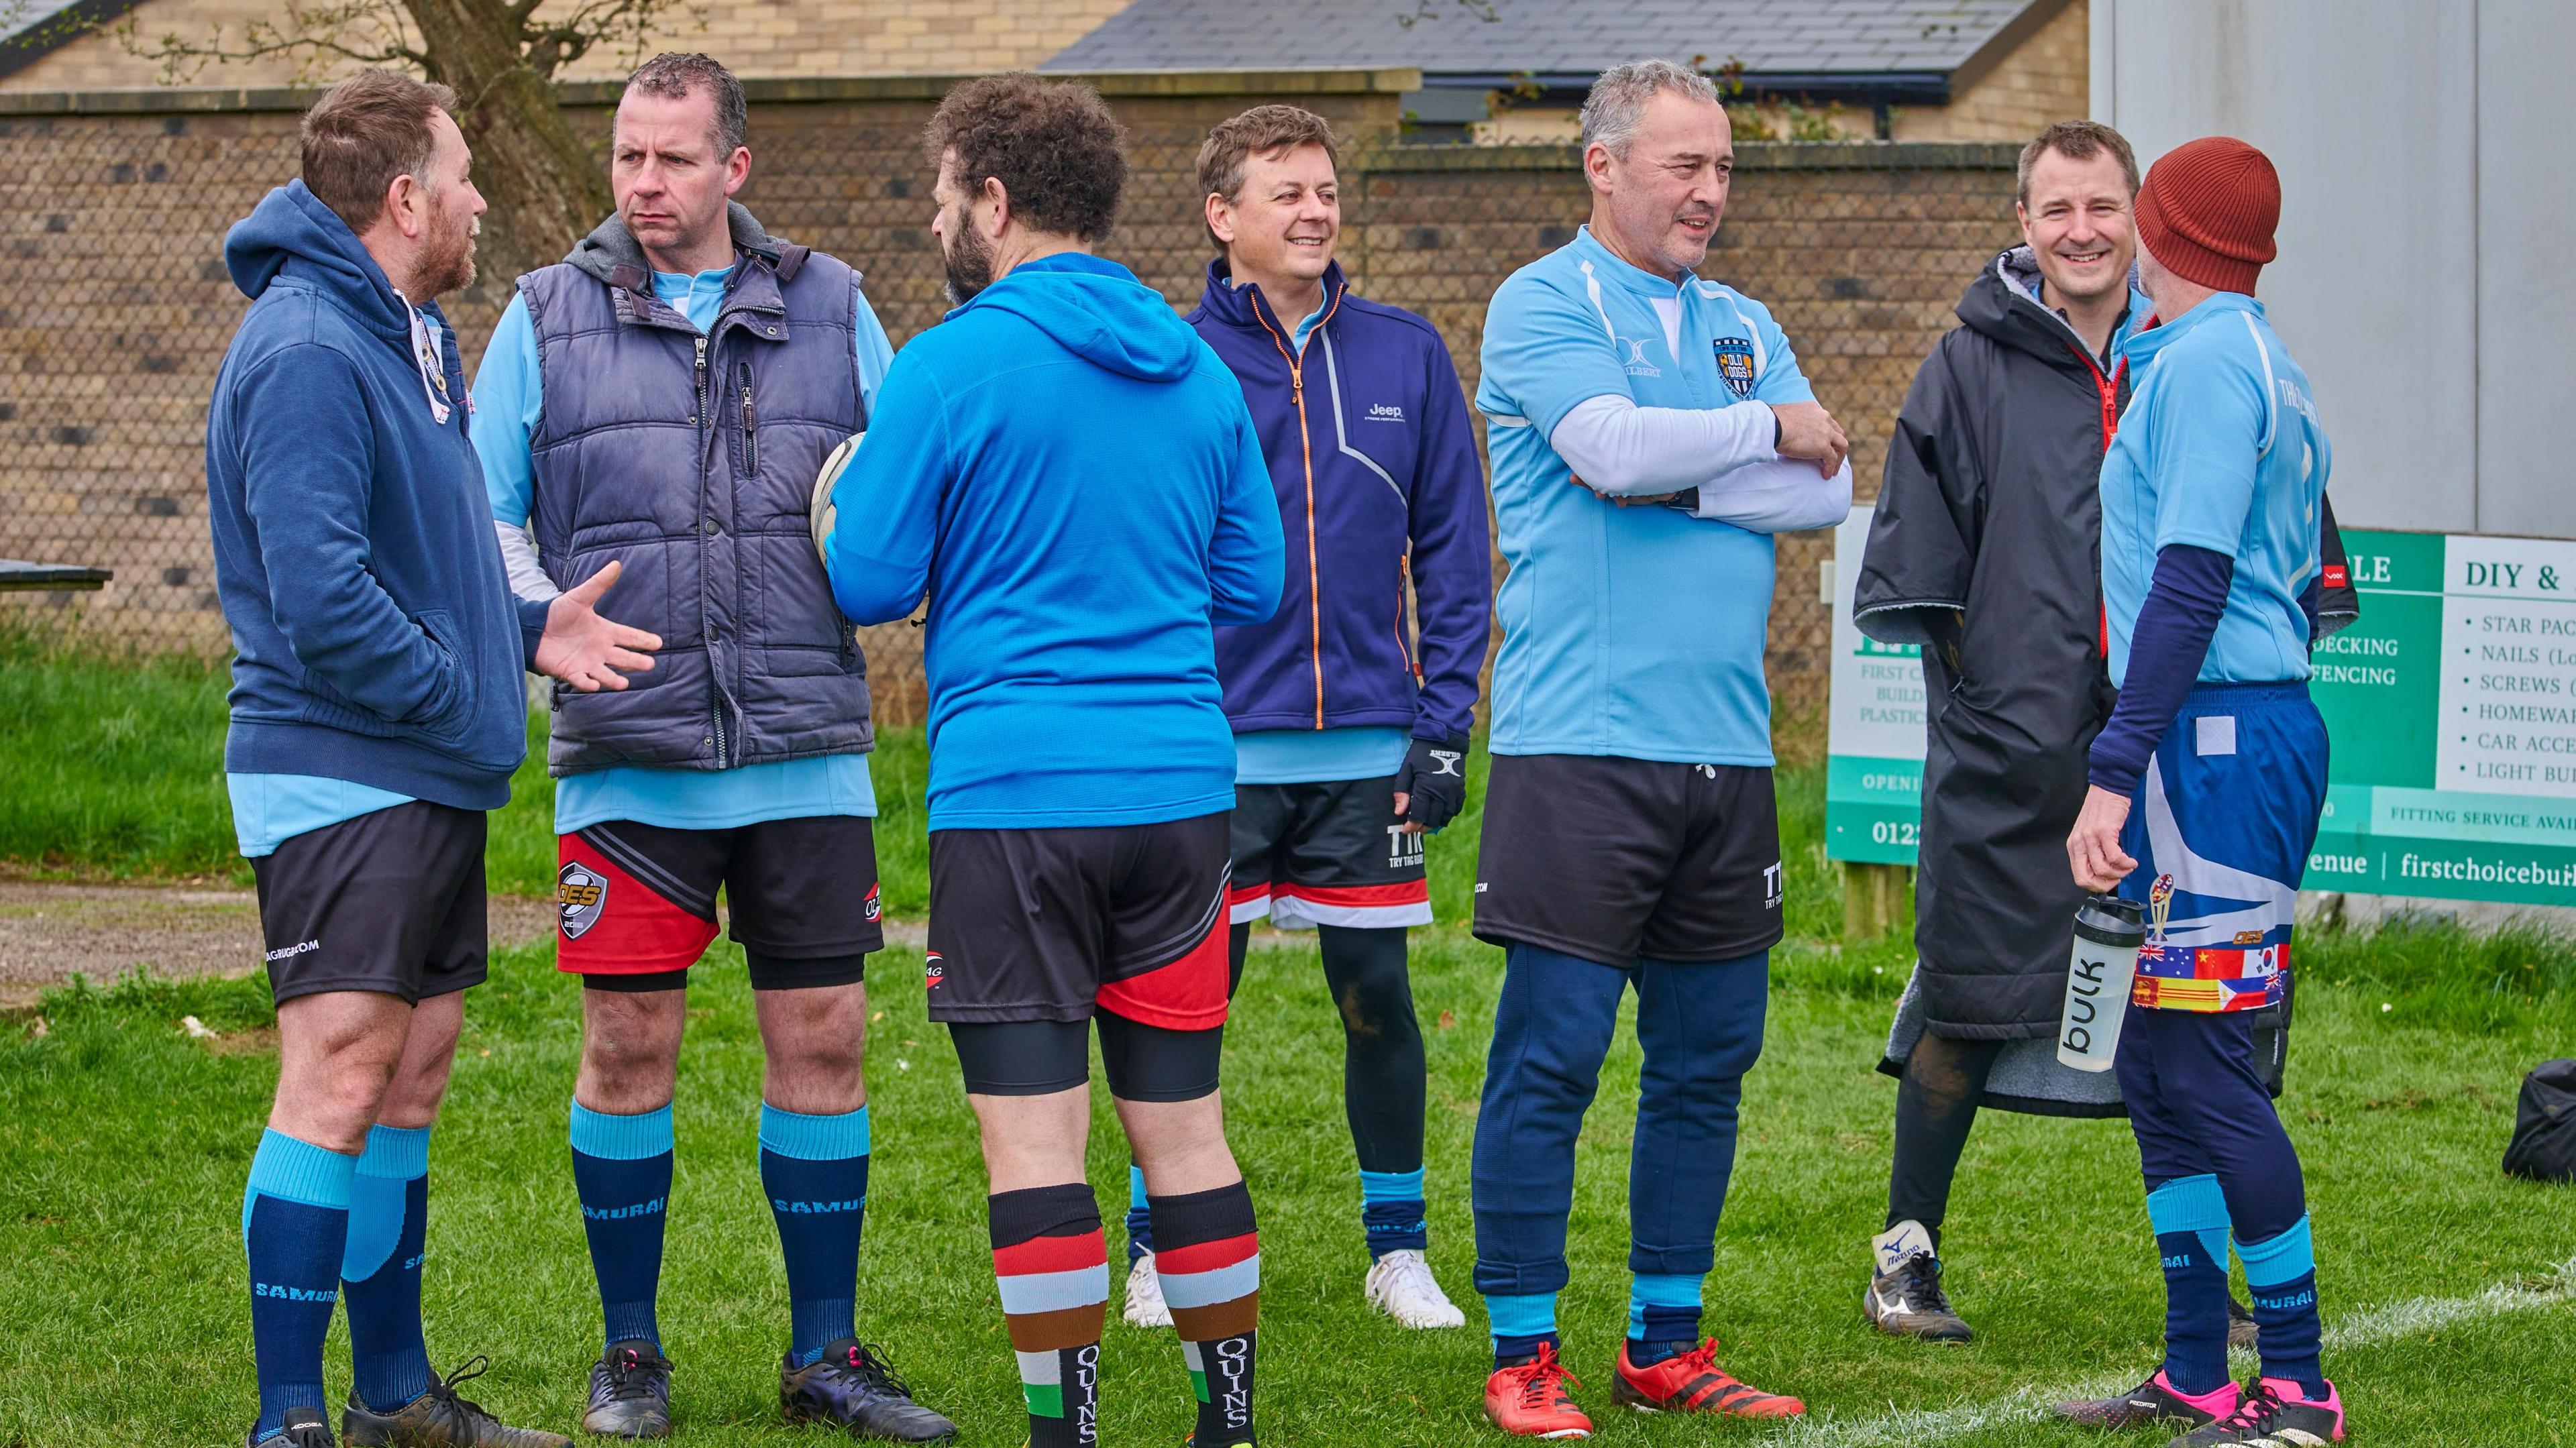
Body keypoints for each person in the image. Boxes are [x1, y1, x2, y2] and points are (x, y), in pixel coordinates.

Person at [468, 52, 951, 1443]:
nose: (644, 182)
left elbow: (904, 490)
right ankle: (629, 1354)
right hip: (627, 760)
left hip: (802, 748)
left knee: (826, 1036)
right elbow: (481, 510)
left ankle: (827, 1357)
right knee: (626, 1044)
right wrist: (534, 616)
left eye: (674, 158)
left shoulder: (838, 307)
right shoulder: (541, 316)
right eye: (628, 155)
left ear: (736, 167)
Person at [822, 73, 1284, 1448]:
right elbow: (1252, 581)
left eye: (945, 191)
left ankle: (1065, 1434)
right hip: (1183, 797)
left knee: (1035, 1142)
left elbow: (868, 577)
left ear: (997, 200)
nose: (936, 217)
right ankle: (1229, 1429)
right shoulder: (1198, 364)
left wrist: (835, 506)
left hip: (1015, 797)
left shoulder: (948, 363)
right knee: (1184, 1128)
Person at [209, 69, 657, 1448]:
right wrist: (463, 684)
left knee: (410, 1071)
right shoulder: (304, 349)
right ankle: (290, 1421)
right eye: (460, 178)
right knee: (340, 1071)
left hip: (420, 764)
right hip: (346, 765)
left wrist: (524, 629)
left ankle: (396, 1400)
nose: (477, 200)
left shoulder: (410, 334)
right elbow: (322, 593)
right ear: (404, 199)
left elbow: (421, 551)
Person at [1853, 121, 2353, 1347]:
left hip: (2164, 750)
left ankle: (2216, 1308)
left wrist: (2139, 737)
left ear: (2146, 225)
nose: (2080, 229)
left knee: (2184, 1030)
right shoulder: (1968, 367)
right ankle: (1905, 1257)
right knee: (1965, 1006)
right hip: (2010, 757)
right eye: (2054, 207)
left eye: (2103, 206)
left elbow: (2257, 560)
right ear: (2020, 224)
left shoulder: (2189, 353)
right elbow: (1918, 565)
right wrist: (1984, 700)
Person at [1466, 58, 1852, 1436]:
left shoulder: (1741, 318)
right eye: (1686, 165)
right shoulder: (1540, 301)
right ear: (1604, 165)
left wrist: (1694, 459)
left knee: (1707, 1058)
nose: (1710, 191)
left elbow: (1831, 487)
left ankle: (1665, 1342)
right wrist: (1748, 443)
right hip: (1581, 753)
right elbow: (1609, 448)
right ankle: (1523, 1350)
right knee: (1552, 1058)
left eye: (1726, 167)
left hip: (1727, 758)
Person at [1110, 103, 1491, 1333]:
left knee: (1376, 992)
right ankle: (1161, 1251)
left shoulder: (1407, 353)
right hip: (1206, 749)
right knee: (1181, 997)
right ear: (1223, 218)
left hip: (1369, 750)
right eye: (1286, 193)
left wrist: (1443, 722)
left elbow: (1456, 547)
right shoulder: (1168, 359)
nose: (1316, 211)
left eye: (1326, 190)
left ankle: (1399, 1251)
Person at [2055, 137, 2347, 1447]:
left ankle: (2295, 1386)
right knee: (2158, 1055)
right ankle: (2194, 1369)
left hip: (2215, 741)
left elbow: (2192, 579)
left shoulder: (2215, 366)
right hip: (2215, 732)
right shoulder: (2226, 353)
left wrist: (2117, 767)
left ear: (2169, 227)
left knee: (2206, 1062)